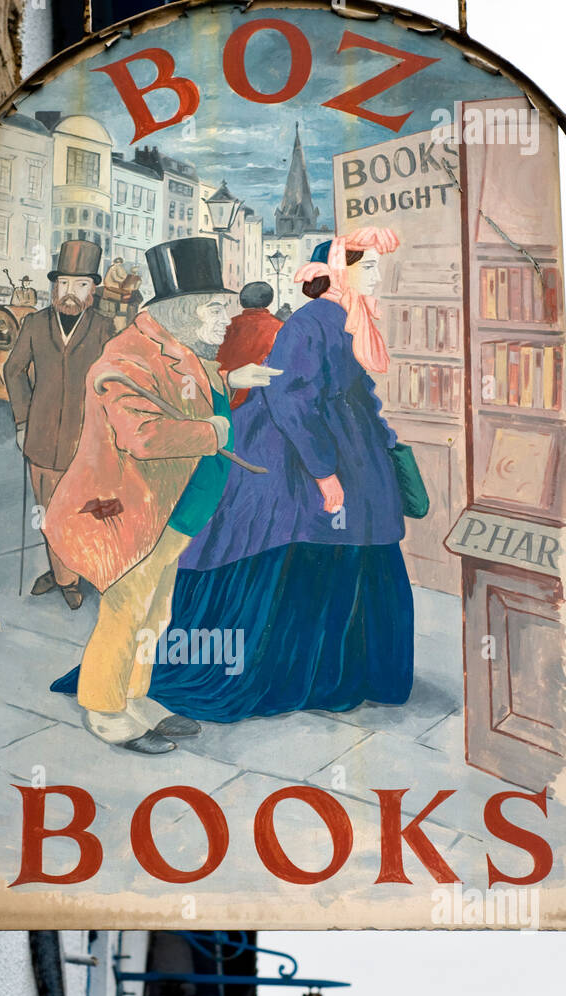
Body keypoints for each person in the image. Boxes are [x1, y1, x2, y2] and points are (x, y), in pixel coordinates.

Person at [143, 226, 419, 720]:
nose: (378, 276)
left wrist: (381, 436)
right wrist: (324, 472)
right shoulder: (312, 322)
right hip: (307, 458)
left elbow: (357, 389)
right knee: (314, 555)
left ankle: (353, 674)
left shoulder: (347, 317)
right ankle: (320, 678)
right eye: (368, 267)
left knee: (357, 553)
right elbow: (291, 397)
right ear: (339, 272)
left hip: (349, 446)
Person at [47, 237, 279, 753]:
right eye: (219, 309)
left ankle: (134, 697)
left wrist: (231, 376)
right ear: (187, 311)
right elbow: (144, 435)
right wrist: (216, 432)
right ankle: (105, 709)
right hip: (125, 512)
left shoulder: (179, 346)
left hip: (170, 515)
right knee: (127, 608)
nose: (229, 320)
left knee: (156, 611)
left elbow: (190, 382)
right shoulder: (123, 360)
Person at [3, 239, 112, 608]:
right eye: (63, 283)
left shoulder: (104, 329)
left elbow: (116, 379)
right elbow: (13, 370)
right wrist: (22, 420)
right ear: (54, 286)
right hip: (42, 441)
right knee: (49, 513)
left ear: (93, 291)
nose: (69, 293)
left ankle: (75, 572)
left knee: (83, 514)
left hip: (86, 443)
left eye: (80, 285)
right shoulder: (34, 324)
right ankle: (63, 576)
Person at [217, 280, 283, 408]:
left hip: (228, 396)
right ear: (269, 300)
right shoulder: (280, 328)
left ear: (242, 301)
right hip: (263, 400)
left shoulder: (227, 326)